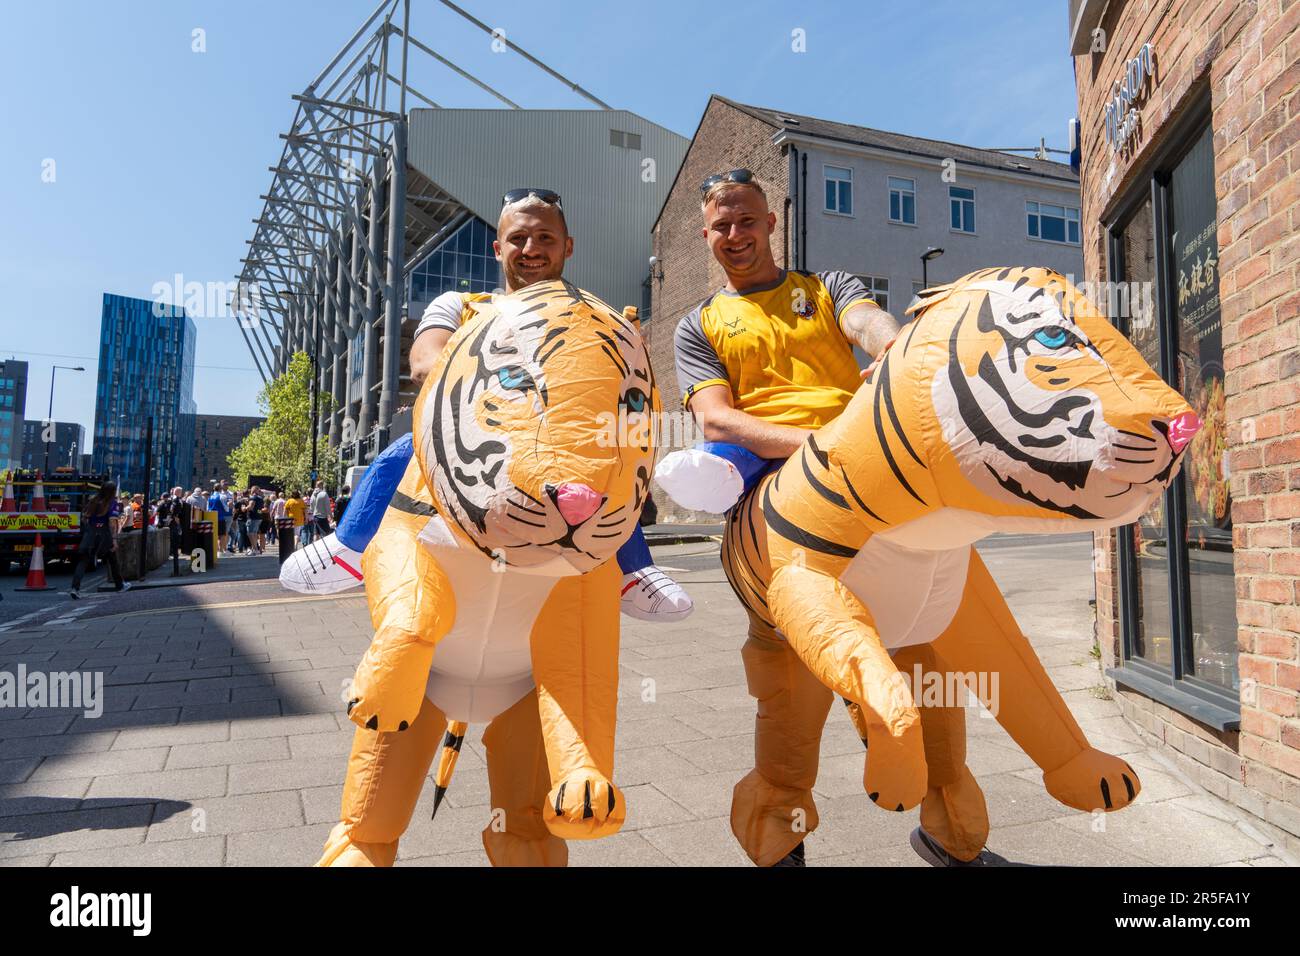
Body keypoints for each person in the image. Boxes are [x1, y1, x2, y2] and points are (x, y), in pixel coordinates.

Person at [672, 169, 906, 867]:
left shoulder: (826, 286)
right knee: (787, 682)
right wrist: (818, 445)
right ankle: (781, 834)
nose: (735, 236)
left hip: (866, 480)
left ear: (771, 222)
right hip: (774, 499)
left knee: (922, 634)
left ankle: (947, 812)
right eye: (721, 226)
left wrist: (895, 343)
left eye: (746, 220)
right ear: (705, 234)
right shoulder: (698, 324)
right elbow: (716, 416)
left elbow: (868, 323)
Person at [69, 481, 131, 598]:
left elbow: (84, 518)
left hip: (90, 534)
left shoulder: (93, 501)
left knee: (83, 562)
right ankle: (120, 585)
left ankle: (74, 588)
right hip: (104, 535)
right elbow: (112, 522)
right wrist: (114, 539)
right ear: (113, 492)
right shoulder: (112, 503)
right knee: (112, 560)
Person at [208, 483, 231, 553]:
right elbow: (226, 509)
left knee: (214, 534)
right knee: (222, 535)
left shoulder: (210, 497)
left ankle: (215, 550)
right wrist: (229, 505)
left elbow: (207, 508)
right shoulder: (222, 496)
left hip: (212, 517)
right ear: (221, 489)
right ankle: (221, 550)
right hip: (220, 517)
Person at [247, 485, 266, 555]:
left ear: (253, 490)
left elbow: (251, 506)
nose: (250, 491)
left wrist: (245, 508)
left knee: (250, 533)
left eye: (251, 490)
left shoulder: (253, 498)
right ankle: (255, 549)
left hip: (252, 517)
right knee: (254, 533)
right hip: (259, 517)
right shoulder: (260, 498)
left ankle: (255, 549)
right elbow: (261, 509)